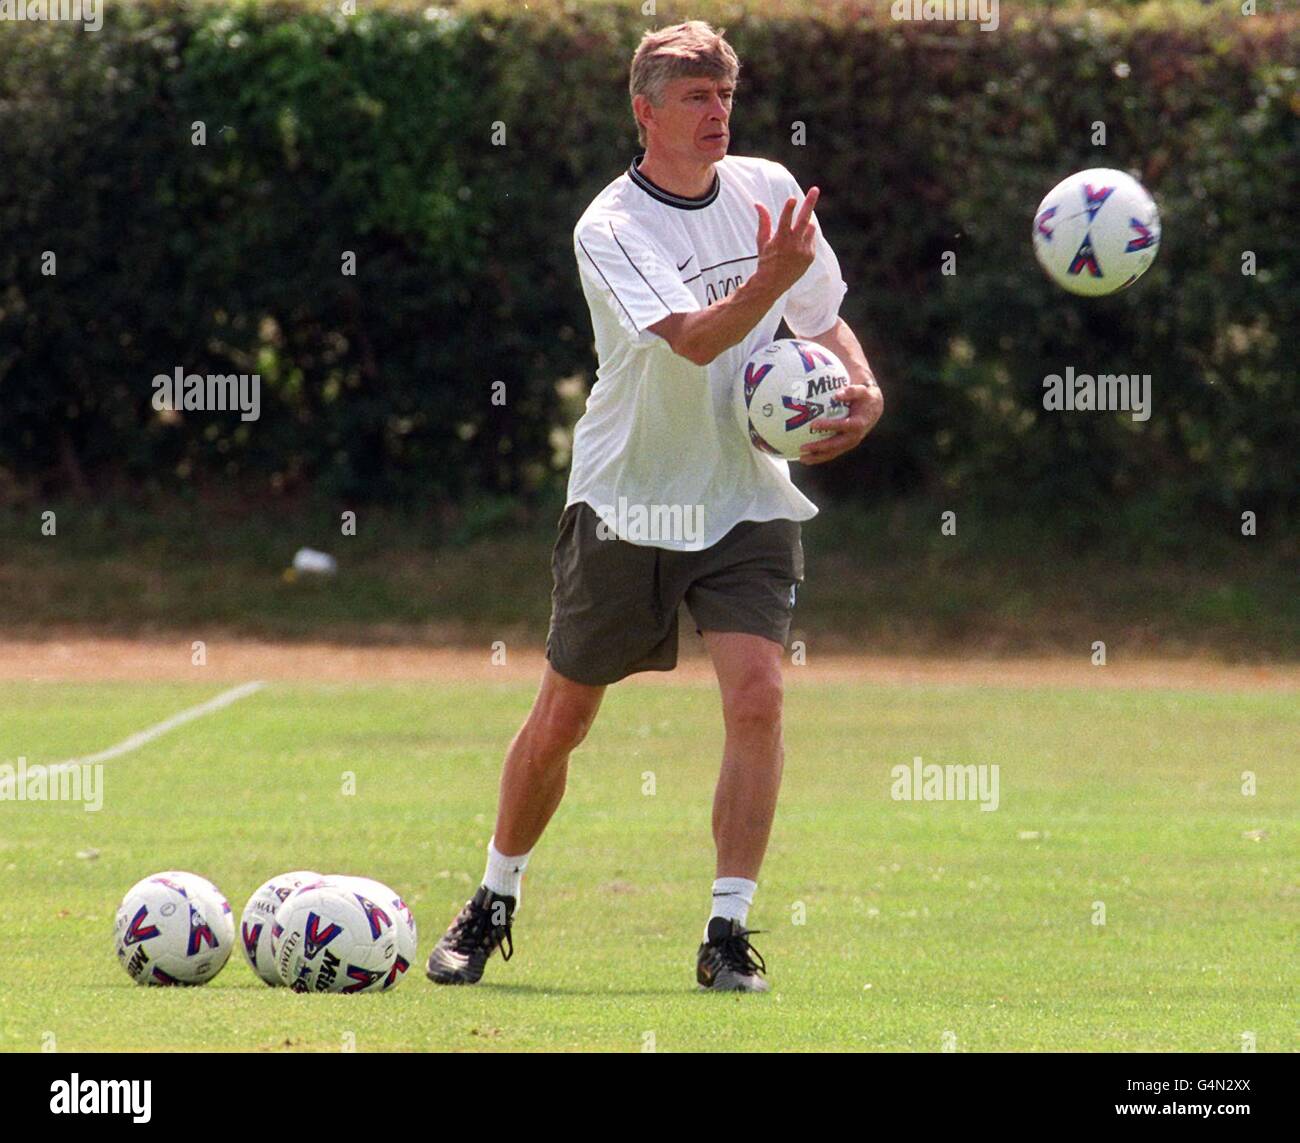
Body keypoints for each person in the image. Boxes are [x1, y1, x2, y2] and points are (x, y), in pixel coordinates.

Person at [427, 19, 883, 992]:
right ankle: (494, 896)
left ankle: (725, 935)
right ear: (646, 112)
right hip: (628, 501)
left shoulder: (764, 192)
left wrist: (862, 386)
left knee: (758, 696)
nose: (716, 112)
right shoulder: (613, 226)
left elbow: (821, 317)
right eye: (694, 97)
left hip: (745, 496)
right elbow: (695, 339)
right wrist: (770, 274)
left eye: (723, 94)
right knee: (564, 717)